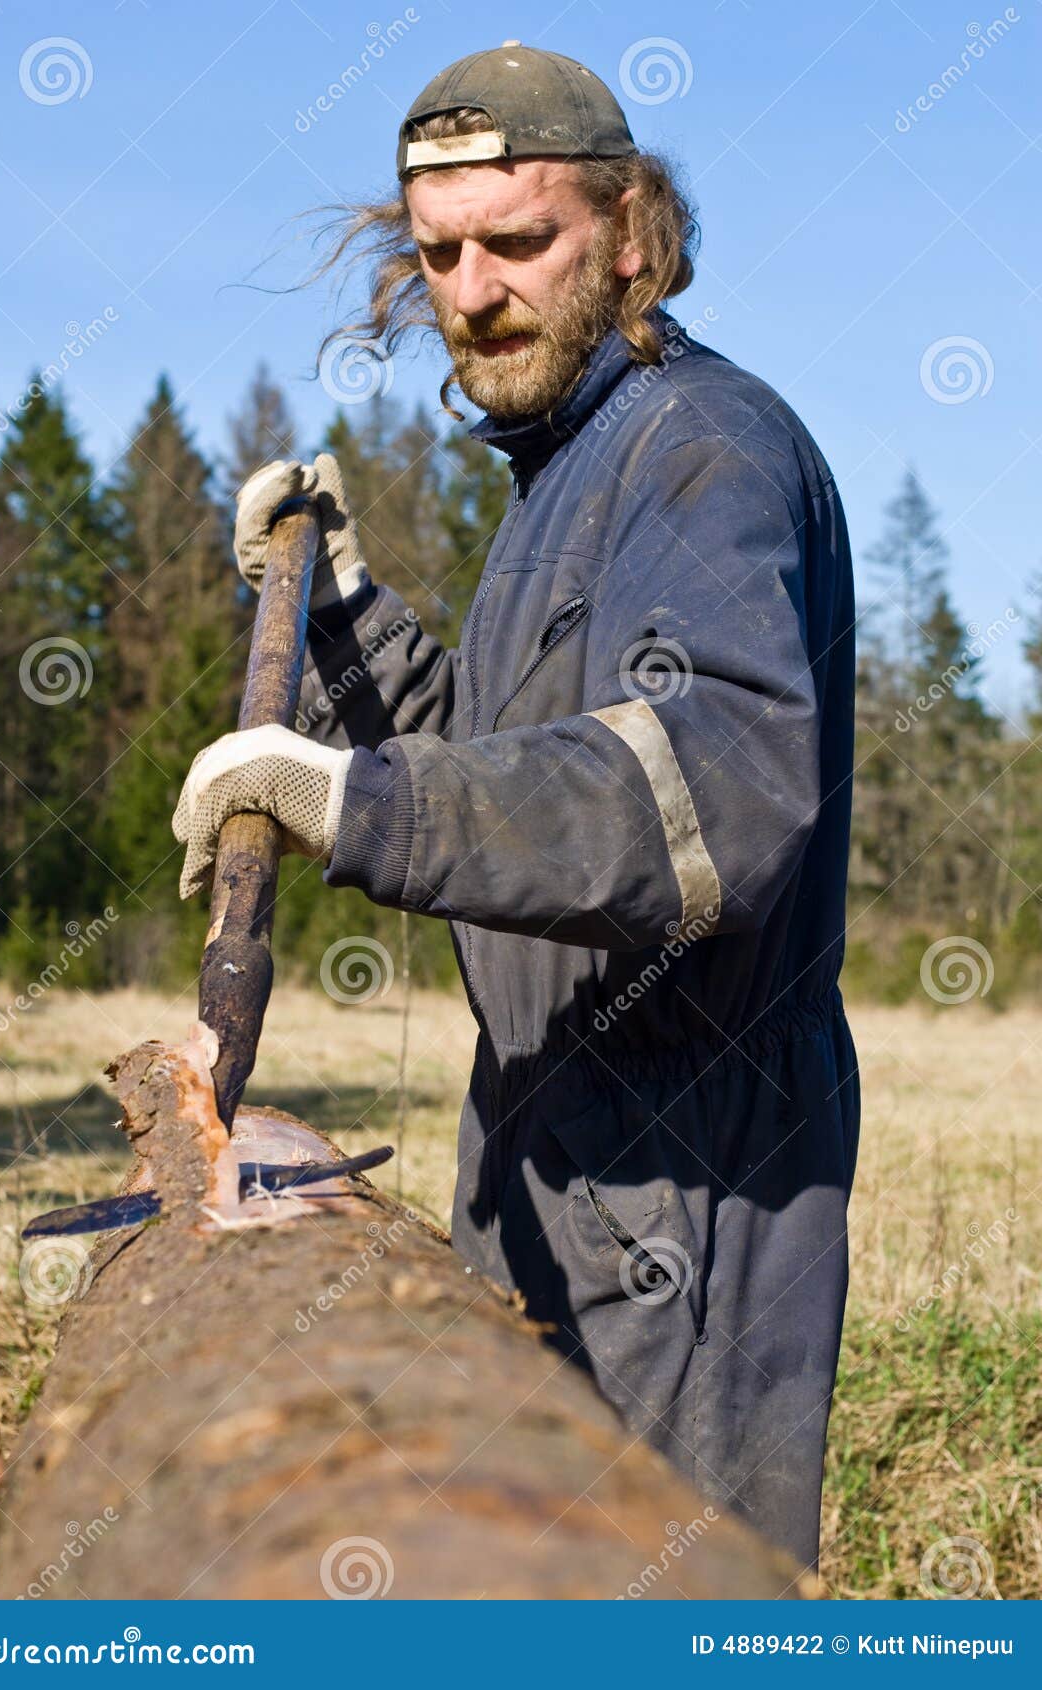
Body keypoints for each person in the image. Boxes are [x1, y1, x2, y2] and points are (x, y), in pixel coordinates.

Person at [172, 43, 860, 1572]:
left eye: (519, 242)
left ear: (632, 231)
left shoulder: (703, 452)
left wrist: (354, 804)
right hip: (549, 1140)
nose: (472, 291)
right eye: (438, 256)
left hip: (688, 1176)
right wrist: (342, 616)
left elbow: (720, 779)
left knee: (662, 1610)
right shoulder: (566, 480)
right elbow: (507, 761)